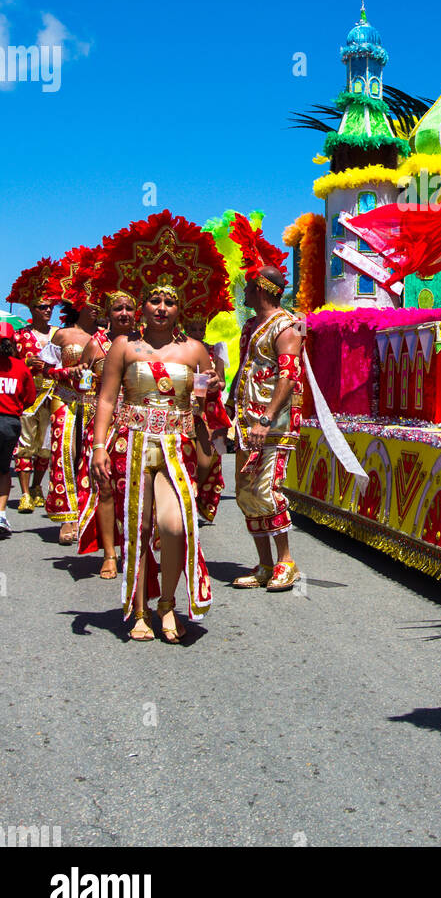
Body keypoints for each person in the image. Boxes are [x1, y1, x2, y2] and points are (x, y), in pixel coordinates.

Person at [89, 210, 232, 640]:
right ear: (143, 304)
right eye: (154, 300)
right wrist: (97, 447)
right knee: (139, 525)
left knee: (173, 525)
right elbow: (107, 399)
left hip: (177, 445)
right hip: (131, 442)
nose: (161, 308)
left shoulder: (196, 352)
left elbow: (208, 405)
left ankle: (168, 603)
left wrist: (214, 442)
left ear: (180, 307)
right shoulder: (122, 347)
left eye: (169, 302)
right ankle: (139, 611)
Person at [226, 214, 303, 592]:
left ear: (262, 288)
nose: (243, 293)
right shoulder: (249, 326)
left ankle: (287, 562)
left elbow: (289, 376)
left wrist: (267, 417)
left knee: (266, 490)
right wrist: (229, 399)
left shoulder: (286, 327)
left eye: (248, 286)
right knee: (244, 491)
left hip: (273, 425)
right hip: (246, 423)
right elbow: (243, 368)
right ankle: (263, 564)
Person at [42, 248, 102, 546]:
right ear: (79, 304)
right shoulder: (62, 335)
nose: (97, 308)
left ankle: (87, 513)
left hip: (95, 403)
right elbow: (43, 369)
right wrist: (68, 373)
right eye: (92, 303)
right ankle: (66, 517)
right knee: (65, 453)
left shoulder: (107, 337)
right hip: (64, 399)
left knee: (91, 458)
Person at [77, 289, 138, 577]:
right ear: (108, 313)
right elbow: (85, 386)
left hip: (137, 423)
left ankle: (135, 549)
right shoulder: (95, 344)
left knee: (138, 489)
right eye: (117, 309)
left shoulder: (144, 343)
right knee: (105, 487)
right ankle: (110, 554)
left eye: (128, 308)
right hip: (104, 426)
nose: (123, 313)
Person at [6, 257, 57, 513]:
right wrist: (27, 360)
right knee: (26, 443)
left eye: (50, 307)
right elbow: (12, 364)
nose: (47, 311)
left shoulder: (59, 334)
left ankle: (38, 486)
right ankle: (25, 493)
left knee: (46, 446)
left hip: (53, 394)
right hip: (28, 396)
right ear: (32, 309)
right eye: (42, 307)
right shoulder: (20, 335)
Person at [183, 316, 229, 523]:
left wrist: (214, 383)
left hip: (208, 412)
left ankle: (195, 501)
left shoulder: (216, 350)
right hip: (181, 408)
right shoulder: (176, 351)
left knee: (207, 461)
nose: (197, 331)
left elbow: (222, 382)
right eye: (192, 327)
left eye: (200, 327)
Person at [0, 322, 37, 539]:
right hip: (10, 423)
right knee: (3, 469)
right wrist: (15, 408)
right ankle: (1, 514)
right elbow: (30, 397)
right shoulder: (20, 366)